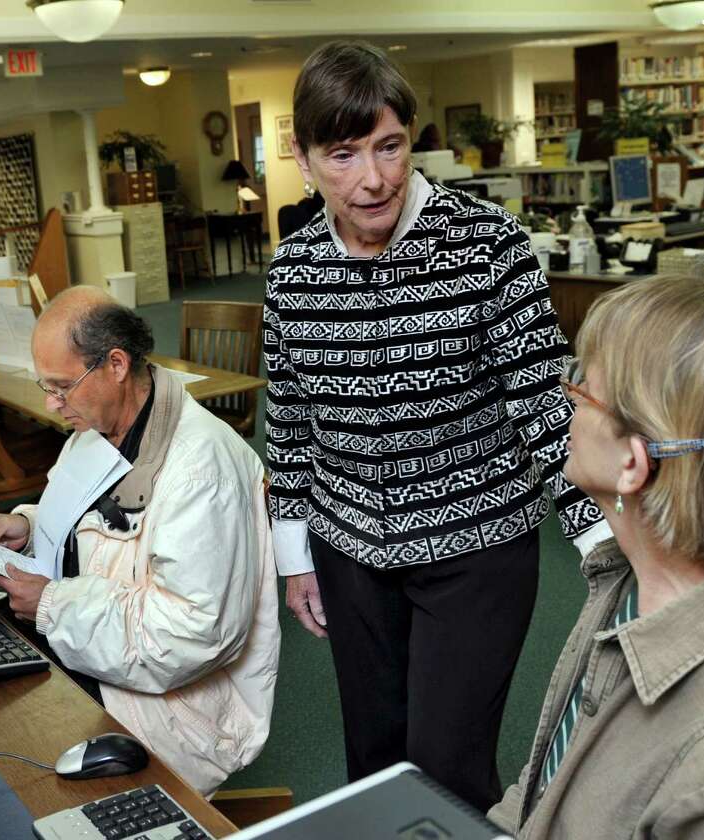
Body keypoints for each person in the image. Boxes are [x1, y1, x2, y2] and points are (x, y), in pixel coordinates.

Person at [263, 39, 608, 811]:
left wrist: (601, 545)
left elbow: (544, 407)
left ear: (412, 136)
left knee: (446, 765)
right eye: (344, 155)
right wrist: (295, 554)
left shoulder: (491, 246)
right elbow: (288, 424)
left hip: (478, 546)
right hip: (348, 547)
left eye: (389, 147)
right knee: (376, 761)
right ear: (304, 156)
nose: (375, 179)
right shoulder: (291, 272)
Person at [489, 274, 704, 837]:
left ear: (633, 464)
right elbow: (548, 785)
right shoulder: (628, 577)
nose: (565, 394)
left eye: (583, 385)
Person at [0, 286, 279, 795]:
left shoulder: (199, 468)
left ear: (115, 364)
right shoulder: (99, 426)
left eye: (62, 386)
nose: (51, 403)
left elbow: (190, 634)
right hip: (102, 654)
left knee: (5, 763)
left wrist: (51, 606)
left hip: (168, 709)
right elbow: (97, 518)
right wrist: (27, 523)